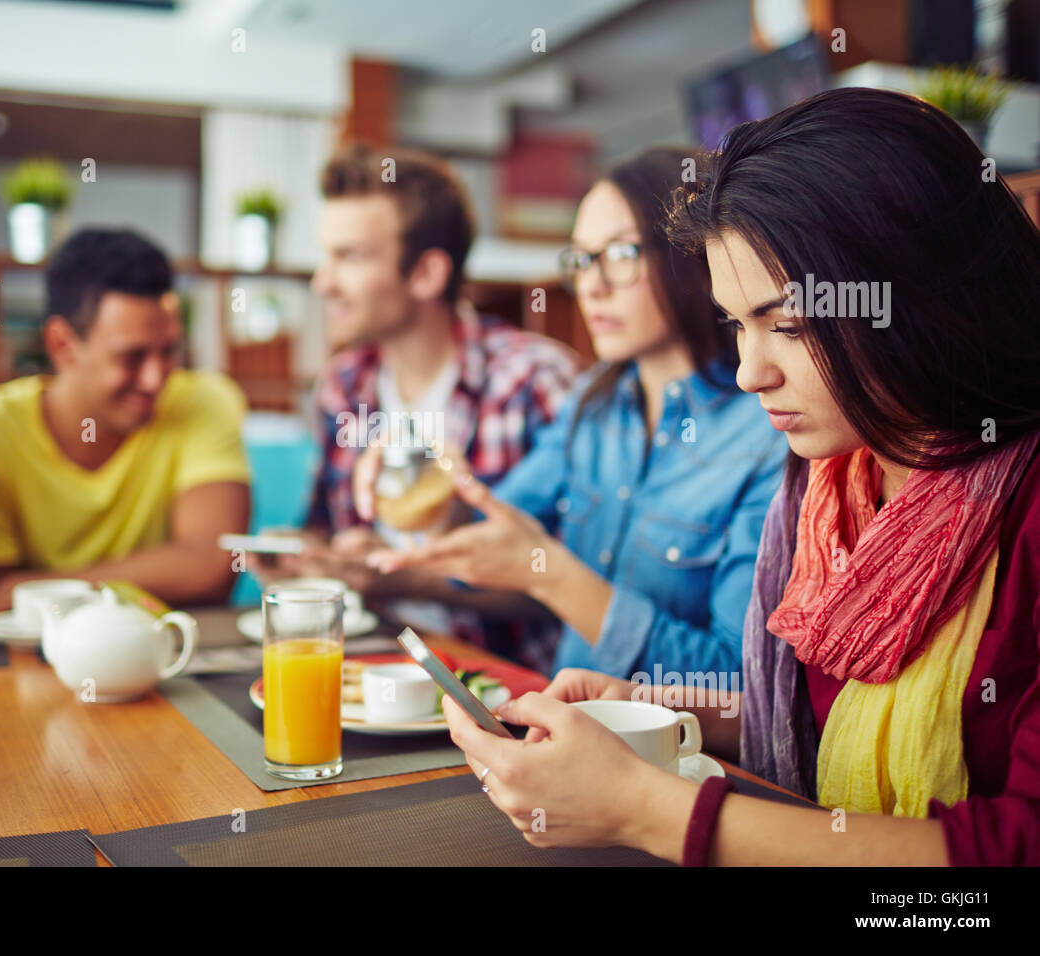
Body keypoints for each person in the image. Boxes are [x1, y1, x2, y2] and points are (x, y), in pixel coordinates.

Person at [442, 88, 1040, 865]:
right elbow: (804, 719)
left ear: (919, 296)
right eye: (737, 325)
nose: (752, 372)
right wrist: (651, 707)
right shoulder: (832, 489)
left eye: (786, 325)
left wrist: (645, 809)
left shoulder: (1018, 510)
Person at [366, 147, 787, 678]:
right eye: (582, 260)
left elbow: (737, 683)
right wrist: (421, 466)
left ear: (693, 256)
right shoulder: (593, 406)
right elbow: (491, 529)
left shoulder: (767, 432)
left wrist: (553, 576)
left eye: (619, 254)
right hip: (563, 729)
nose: (592, 285)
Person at [256, 143, 584, 672]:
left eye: (350, 257)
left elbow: (570, 581)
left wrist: (406, 578)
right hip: (367, 667)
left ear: (427, 274)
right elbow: (321, 526)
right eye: (326, 255)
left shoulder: (535, 381)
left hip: (497, 687)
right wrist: (303, 555)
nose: (323, 282)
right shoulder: (341, 386)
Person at [0, 228, 250, 619]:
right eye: (132, 357)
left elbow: (211, 566)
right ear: (62, 345)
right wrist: (155, 575)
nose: (156, 379)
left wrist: (40, 588)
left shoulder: (204, 401)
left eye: (169, 350)